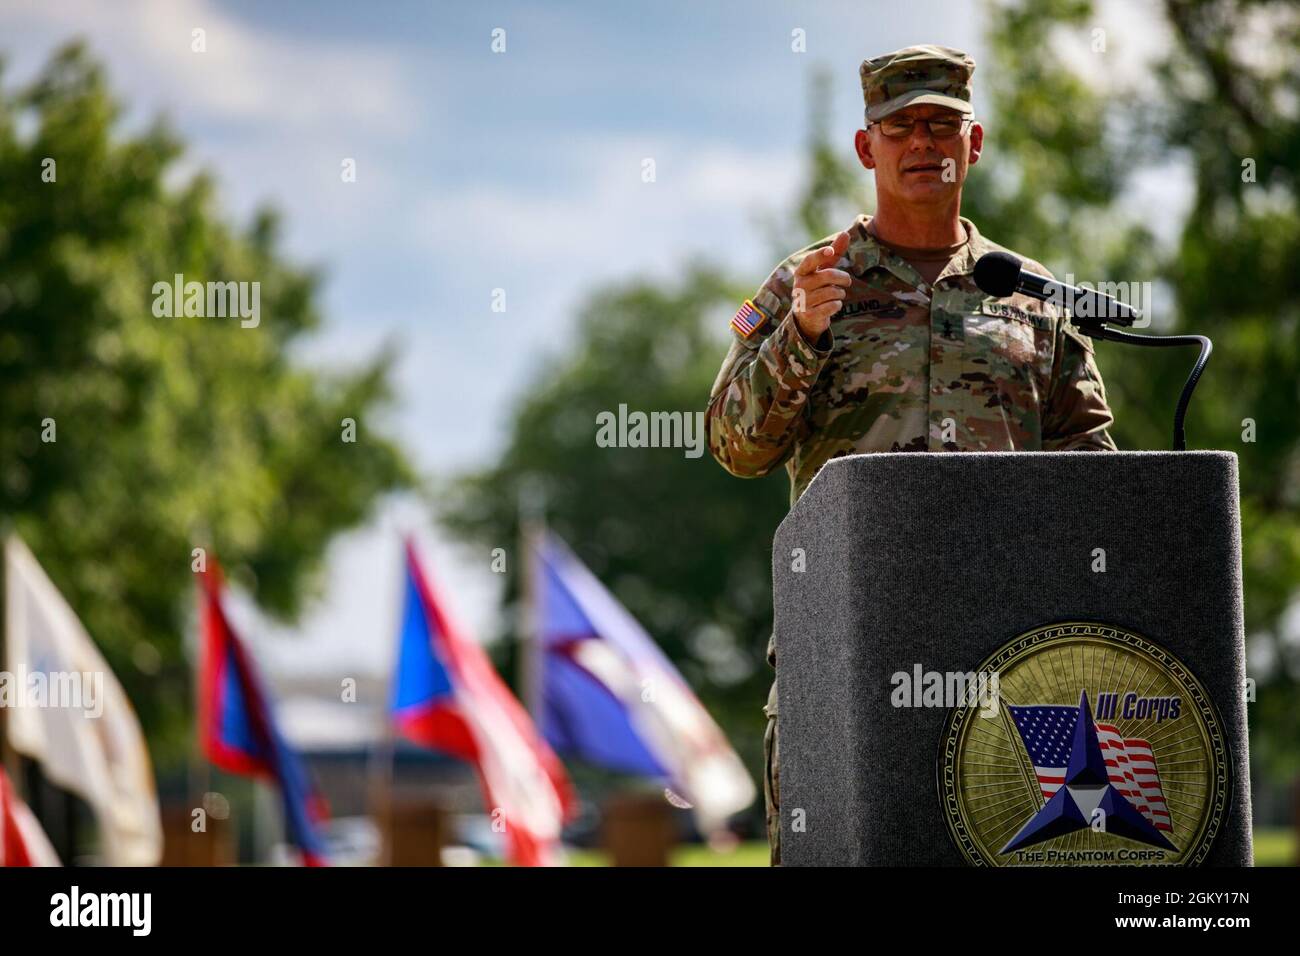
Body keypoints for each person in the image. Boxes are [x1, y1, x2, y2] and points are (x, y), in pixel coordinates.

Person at [704, 44, 1117, 865]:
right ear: (868, 148)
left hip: (1010, 649)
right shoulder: (805, 282)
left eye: (942, 126)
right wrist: (800, 338)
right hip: (845, 636)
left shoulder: (1032, 296)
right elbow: (733, 446)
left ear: (976, 142)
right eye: (901, 128)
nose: (923, 144)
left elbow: (1096, 472)